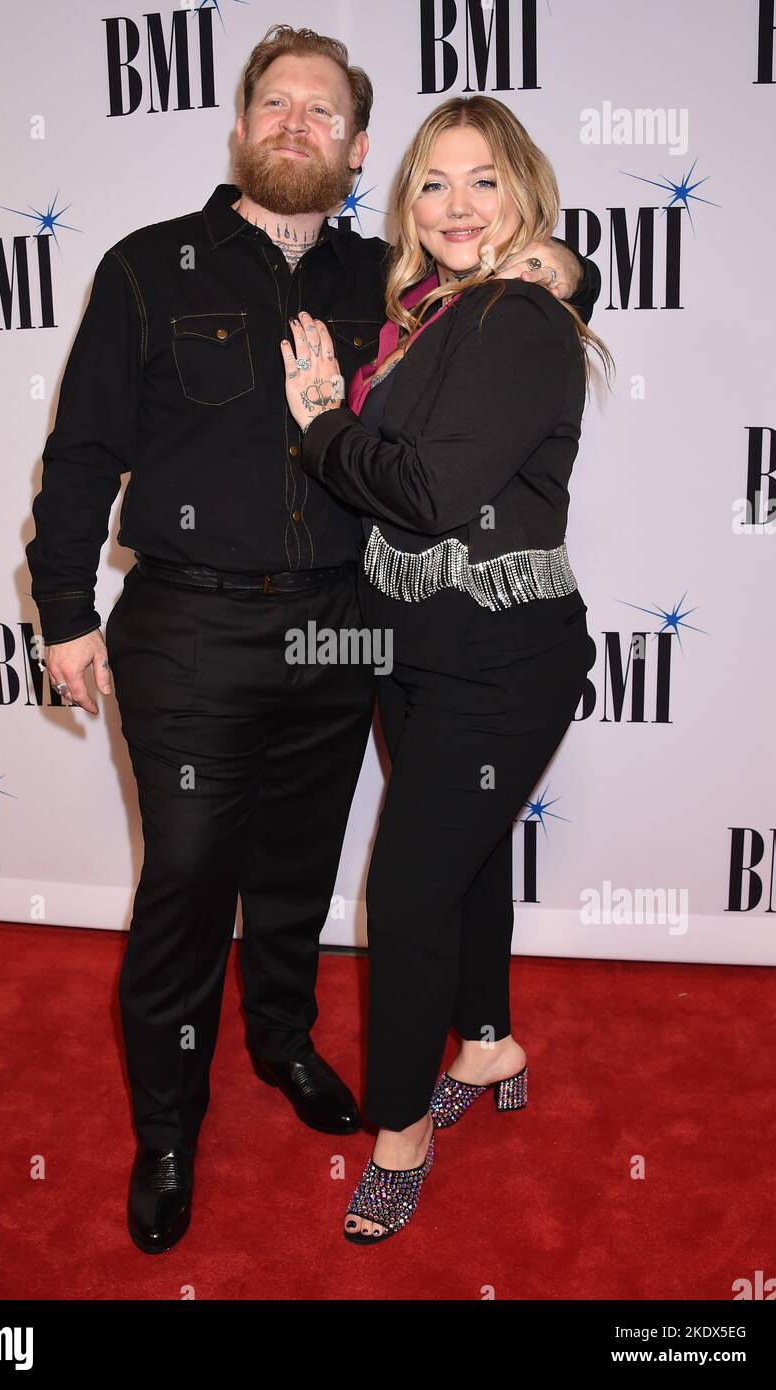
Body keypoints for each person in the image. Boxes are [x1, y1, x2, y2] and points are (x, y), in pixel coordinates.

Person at [25, 25, 599, 1255]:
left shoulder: (380, 280)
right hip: (188, 624)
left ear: (354, 149)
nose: (296, 122)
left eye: (323, 111)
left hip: (346, 627)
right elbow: (80, 457)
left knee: (294, 873)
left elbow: (500, 294)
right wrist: (64, 609)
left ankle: (282, 1045)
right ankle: (168, 1127)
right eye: (274, 103)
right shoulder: (145, 266)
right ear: (241, 126)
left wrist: (568, 263)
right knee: (185, 882)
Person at [283, 95, 613, 1243]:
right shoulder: (421, 314)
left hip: (498, 656)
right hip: (411, 642)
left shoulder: (516, 315)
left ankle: (398, 1128)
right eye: (432, 182)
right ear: (406, 206)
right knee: (463, 860)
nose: (457, 204)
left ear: (522, 193)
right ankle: (487, 1038)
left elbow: (424, 496)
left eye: (482, 180)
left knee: (408, 889)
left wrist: (321, 422)